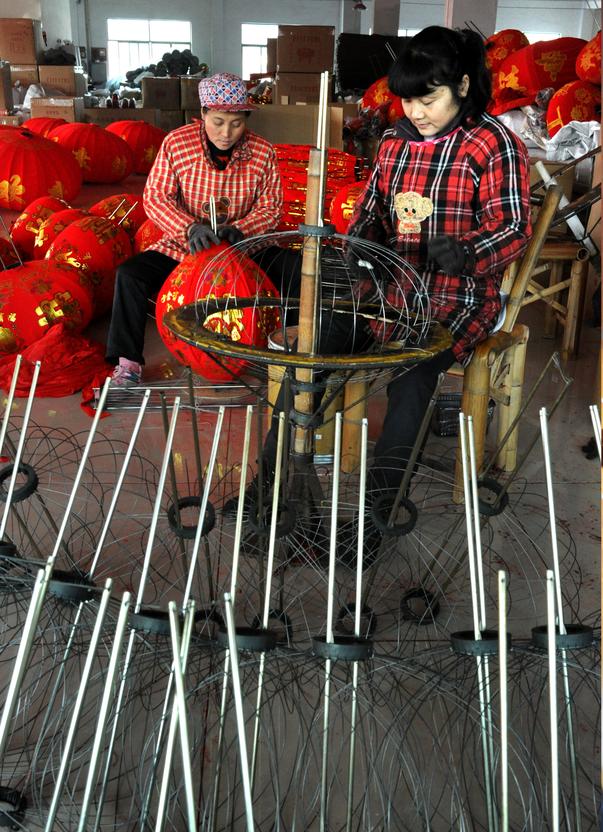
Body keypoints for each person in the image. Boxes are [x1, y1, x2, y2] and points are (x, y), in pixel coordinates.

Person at [238, 26, 533, 564]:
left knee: (413, 375)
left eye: (430, 98)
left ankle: (378, 513)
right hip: (384, 291)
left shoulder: (494, 144)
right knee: (311, 349)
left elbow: (513, 228)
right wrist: (358, 247)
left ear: (463, 85)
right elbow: (372, 209)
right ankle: (271, 493)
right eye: (408, 99)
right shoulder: (395, 142)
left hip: (455, 300)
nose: (416, 111)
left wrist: (467, 253)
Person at [106, 72, 284, 386]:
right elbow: (156, 197)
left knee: (293, 270)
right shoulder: (176, 143)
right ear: (202, 114)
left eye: (236, 123)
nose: (227, 133)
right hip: (186, 249)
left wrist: (240, 230)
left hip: (242, 250)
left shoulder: (263, 152)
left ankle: (284, 354)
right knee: (130, 275)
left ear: (246, 118)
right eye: (218, 121)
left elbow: (271, 208)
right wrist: (189, 229)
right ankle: (128, 363)